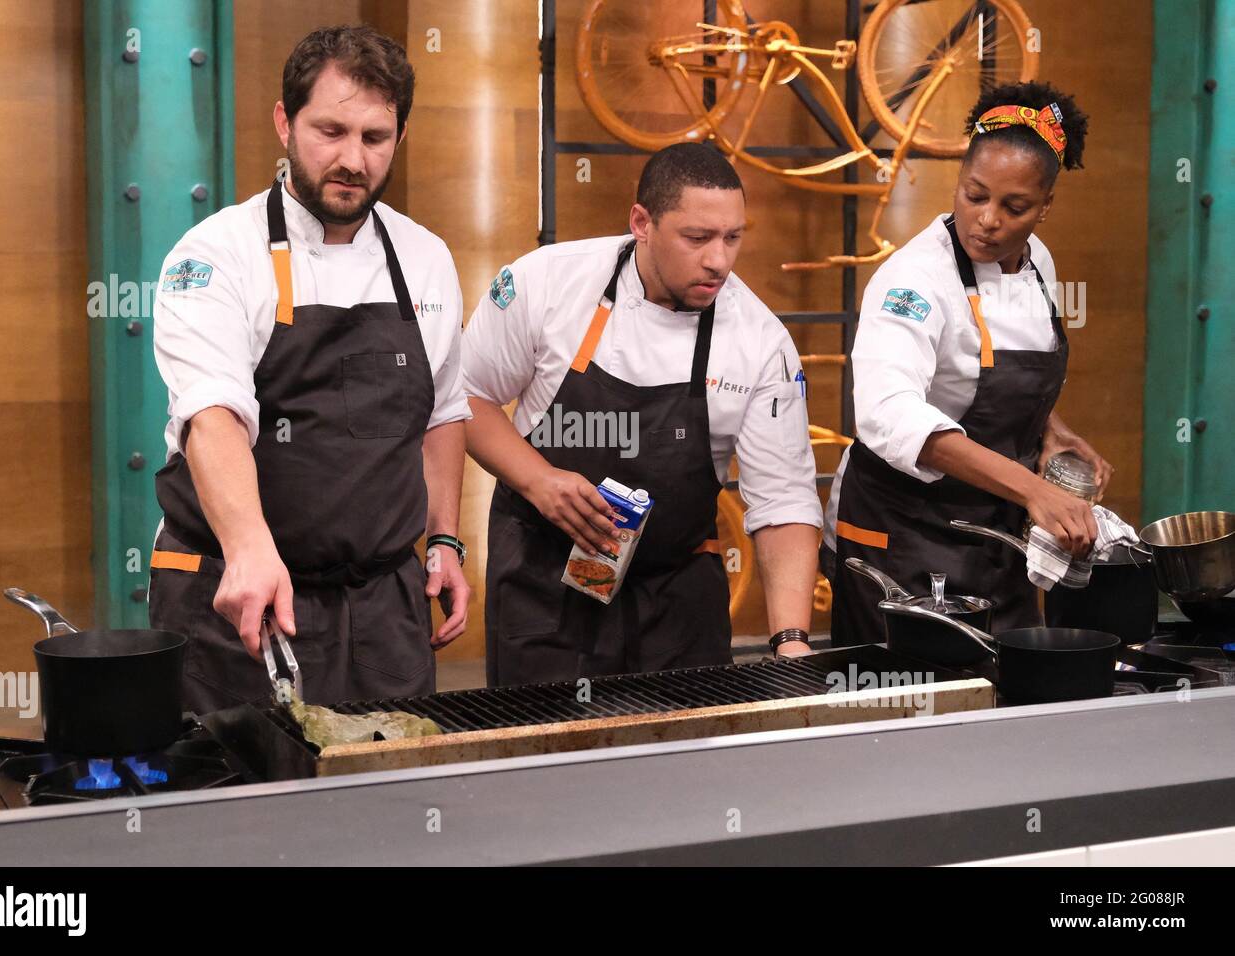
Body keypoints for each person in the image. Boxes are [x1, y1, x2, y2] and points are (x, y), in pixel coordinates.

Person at [149, 26, 470, 711]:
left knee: (391, 801)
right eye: (330, 130)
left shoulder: (427, 260)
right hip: (239, 593)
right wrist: (249, 547)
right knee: (242, 803)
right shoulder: (214, 255)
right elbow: (213, 416)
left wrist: (444, 537)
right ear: (284, 123)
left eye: (375, 137)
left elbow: (442, 414)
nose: (353, 158)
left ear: (399, 137)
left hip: (383, 608)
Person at [463, 142, 823, 686]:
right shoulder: (549, 284)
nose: (718, 261)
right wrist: (539, 481)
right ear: (642, 223)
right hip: (544, 587)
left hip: (676, 601)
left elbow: (784, 499)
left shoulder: (759, 340)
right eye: (697, 238)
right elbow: (463, 398)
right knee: (546, 763)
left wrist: (790, 640)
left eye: (733, 238)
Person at [825, 81, 1109, 644]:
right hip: (901, 535)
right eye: (974, 195)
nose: (987, 220)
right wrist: (1033, 490)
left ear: (1045, 207)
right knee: (906, 711)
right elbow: (889, 416)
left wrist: (1052, 431)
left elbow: (994, 372)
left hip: (995, 535)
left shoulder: (1037, 265)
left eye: (1015, 206)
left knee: (1005, 702)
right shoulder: (913, 280)